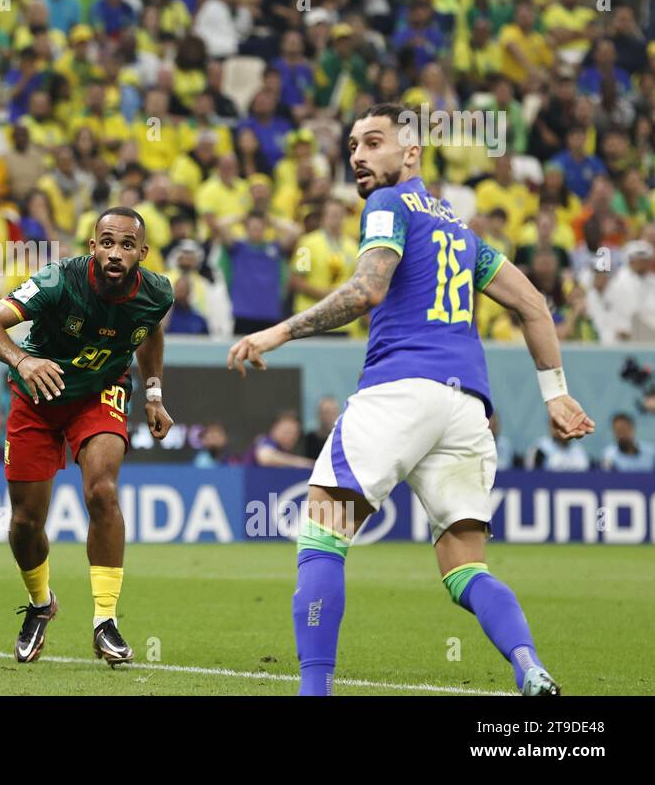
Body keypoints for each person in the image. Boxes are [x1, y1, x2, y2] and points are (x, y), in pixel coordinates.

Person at [228, 103, 594, 696]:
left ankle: (313, 691)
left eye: (374, 143)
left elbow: (368, 288)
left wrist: (278, 330)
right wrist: (556, 394)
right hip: (468, 412)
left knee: (322, 530)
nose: (358, 156)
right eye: (352, 146)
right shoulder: (463, 232)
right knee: (464, 566)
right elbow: (534, 306)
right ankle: (529, 667)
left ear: (411, 152)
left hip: (401, 391)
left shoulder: (387, 206)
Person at [0, 207, 174, 666]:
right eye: (106, 241)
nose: (115, 251)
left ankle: (106, 621)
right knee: (25, 521)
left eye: (126, 244)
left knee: (102, 490)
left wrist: (155, 394)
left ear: (142, 253)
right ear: (92, 246)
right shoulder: (57, 281)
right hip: (36, 398)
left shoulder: (158, 292)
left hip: (100, 393)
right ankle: (41, 602)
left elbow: (150, 332)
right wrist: (22, 361)